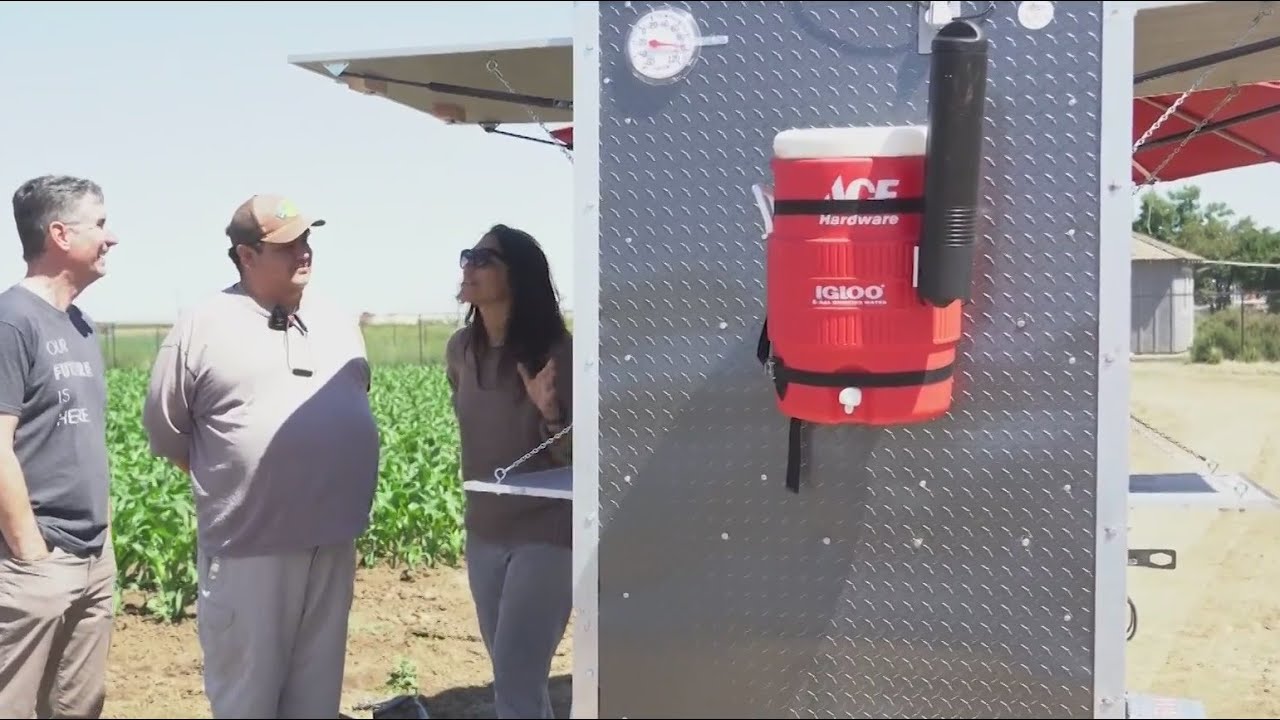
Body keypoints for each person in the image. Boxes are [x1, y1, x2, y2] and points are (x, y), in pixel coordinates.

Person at [141, 194, 381, 719]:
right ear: (246, 256)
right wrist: (242, 479)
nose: (304, 251)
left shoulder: (336, 319)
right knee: (247, 698)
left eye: (306, 239)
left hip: (332, 545)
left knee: (316, 698)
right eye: (287, 244)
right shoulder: (204, 325)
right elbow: (167, 429)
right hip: (251, 549)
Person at [0, 175, 119, 718]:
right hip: (36, 559)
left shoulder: (82, 326)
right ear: (60, 235)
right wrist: (30, 551)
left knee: (78, 707)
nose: (111, 237)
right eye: (100, 224)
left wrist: (104, 538)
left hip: (93, 556)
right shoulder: (11, 322)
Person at [446, 223, 574, 720]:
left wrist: (551, 413)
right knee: (516, 678)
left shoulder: (558, 354)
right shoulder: (460, 351)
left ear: (516, 277)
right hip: (484, 533)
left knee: (517, 680)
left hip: (545, 536)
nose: (469, 266)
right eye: (468, 255)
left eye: (485, 259)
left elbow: (579, 460)